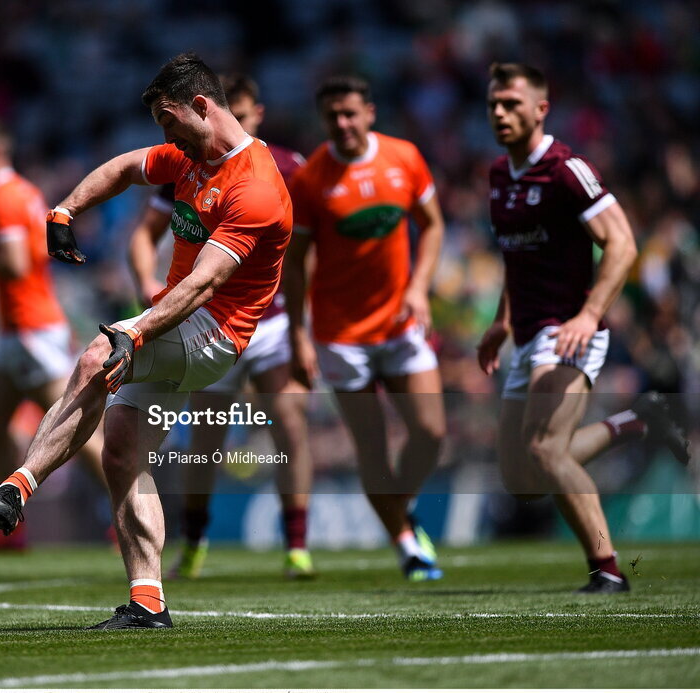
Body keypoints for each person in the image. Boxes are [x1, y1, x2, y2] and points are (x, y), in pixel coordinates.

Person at [0, 52, 292, 629]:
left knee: (99, 351)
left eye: (170, 122)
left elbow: (203, 285)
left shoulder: (258, 189)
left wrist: (134, 331)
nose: (166, 137)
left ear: (201, 107)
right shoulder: (194, 156)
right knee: (122, 449)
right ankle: (148, 601)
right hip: (177, 324)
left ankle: (20, 485)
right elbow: (124, 168)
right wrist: (67, 207)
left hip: (216, 333)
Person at [476, 62, 690, 593]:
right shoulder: (499, 175)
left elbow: (621, 243)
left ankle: (608, 571)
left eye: (512, 104)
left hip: (569, 329)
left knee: (546, 451)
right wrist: (501, 322)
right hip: (525, 334)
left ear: (541, 109)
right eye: (494, 105)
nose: (500, 113)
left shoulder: (567, 169)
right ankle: (637, 422)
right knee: (523, 482)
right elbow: (515, 258)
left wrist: (590, 314)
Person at [127, 73, 314, 580]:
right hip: (209, 319)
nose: (245, 122)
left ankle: (296, 544)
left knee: (289, 425)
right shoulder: (192, 161)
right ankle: (196, 536)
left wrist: (300, 330)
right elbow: (144, 233)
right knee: (208, 437)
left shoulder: (289, 170)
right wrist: (148, 283)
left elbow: (303, 256)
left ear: (256, 114)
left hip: (271, 322)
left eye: (251, 115)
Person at [286, 76, 446, 581]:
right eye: (333, 116)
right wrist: (297, 331)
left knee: (431, 432)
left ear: (370, 112)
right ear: (323, 120)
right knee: (372, 448)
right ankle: (407, 545)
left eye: (351, 113)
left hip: (400, 323)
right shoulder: (312, 179)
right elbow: (296, 261)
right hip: (341, 336)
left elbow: (434, 224)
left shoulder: (404, 158)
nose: (343, 123)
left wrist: (420, 286)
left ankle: (400, 505)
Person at [0, 118, 106, 552]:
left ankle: (129, 515)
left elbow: (16, 264)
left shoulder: (2, 199)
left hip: (31, 332)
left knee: (76, 432)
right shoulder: (22, 192)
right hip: (18, 331)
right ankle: (11, 533)